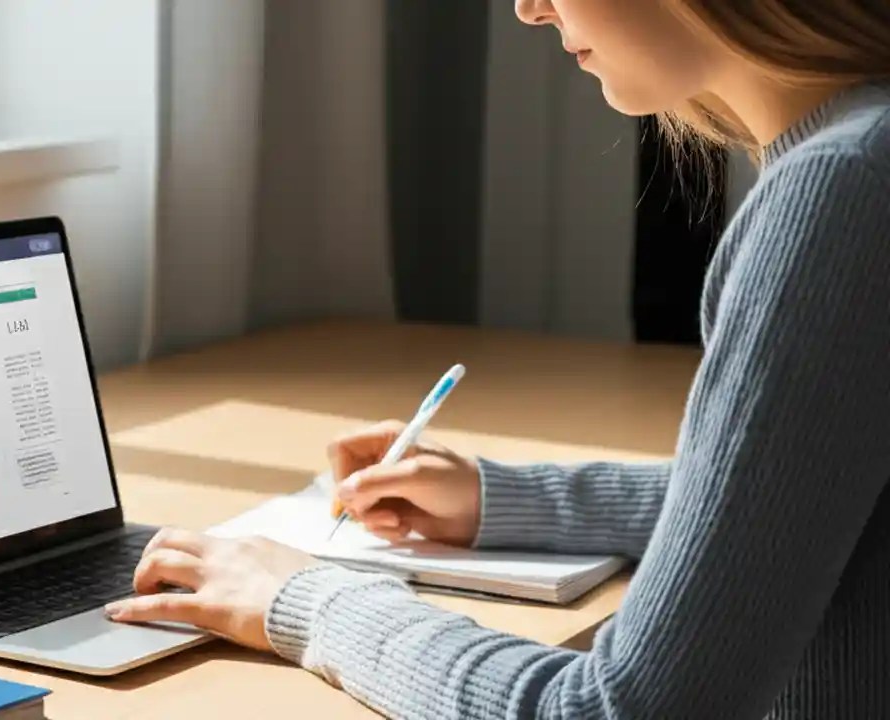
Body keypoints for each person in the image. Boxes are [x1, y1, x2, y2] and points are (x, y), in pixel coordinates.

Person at [105, 1, 890, 717]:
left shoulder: (842, 192)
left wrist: (303, 600)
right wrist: (510, 500)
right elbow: (793, 504)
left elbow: (618, 710)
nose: (529, 7)